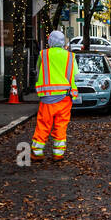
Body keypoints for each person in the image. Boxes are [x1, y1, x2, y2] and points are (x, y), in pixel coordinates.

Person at [32, 30, 78, 162]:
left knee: (43, 123)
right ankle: (58, 153)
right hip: (65, 97)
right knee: (61, 125)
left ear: (50, 41)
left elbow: (38, 70)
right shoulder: (70, 56)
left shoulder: (44, 54)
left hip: (47, 97)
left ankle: (37, 152)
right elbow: (75, 75)